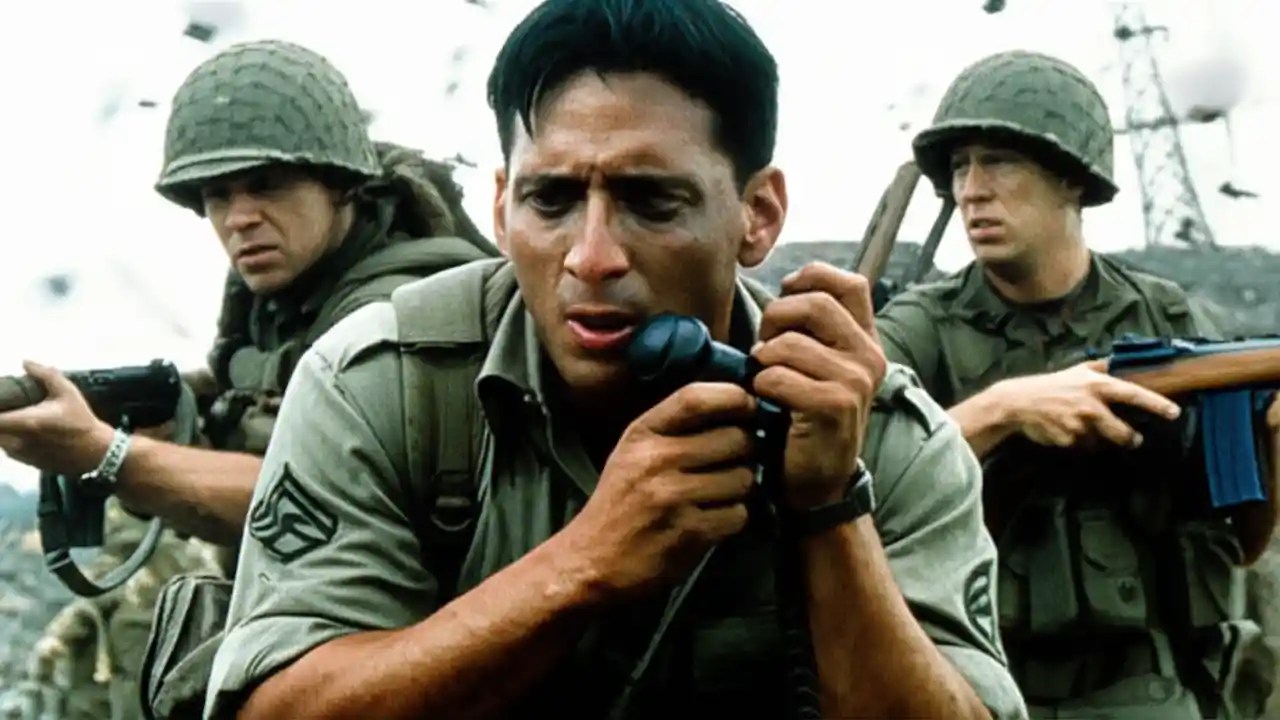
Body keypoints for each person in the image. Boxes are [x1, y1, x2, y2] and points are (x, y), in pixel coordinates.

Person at [204, 2, 1028, 719]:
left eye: (650, 200)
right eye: (551, 199)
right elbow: (275, 705)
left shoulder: (880, 430)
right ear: (500, 206)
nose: (590, 256)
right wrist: (585, 564)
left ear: (758, 213)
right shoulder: (382, 387)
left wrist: (825, 508)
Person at [0, 39, 498, 720]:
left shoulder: (404, 314)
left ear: (339, 182)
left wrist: (108, 456)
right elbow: (252, 392)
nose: (238, 219)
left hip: (408, 647)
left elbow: (312, 500)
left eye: (266, 185)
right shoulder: (280, 293)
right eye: (217, 195)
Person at [875, 49, 1280, 718]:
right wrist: (1002, 411)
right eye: (959, 167)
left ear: (1073, 180)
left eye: (999, 161)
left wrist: (1269, 446)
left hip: (1143, 683)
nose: (972, 189)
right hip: (966, 681)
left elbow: (1242, 542)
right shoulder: (920, 329)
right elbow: (839, 479)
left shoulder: (1167, 318)